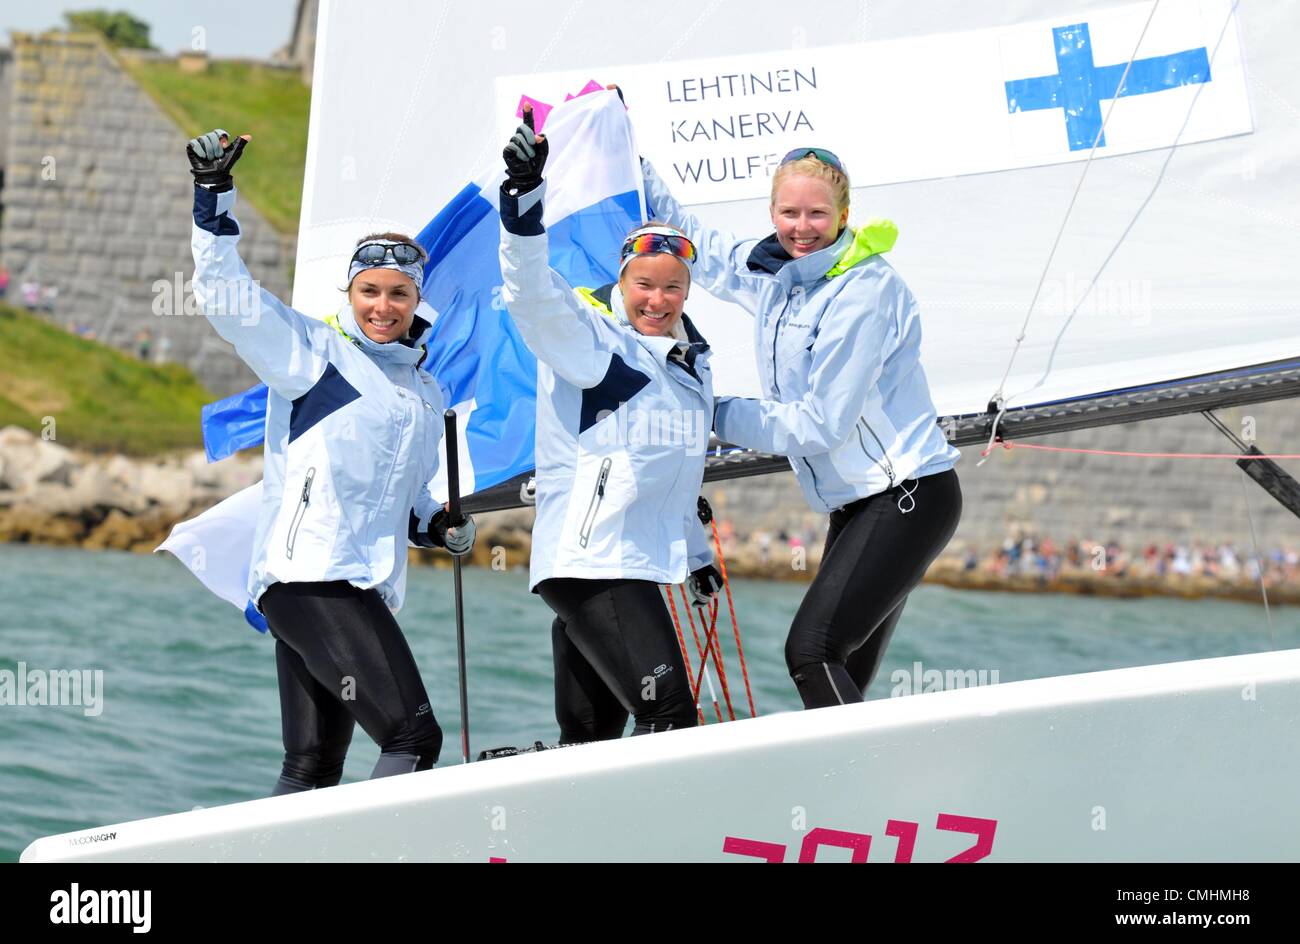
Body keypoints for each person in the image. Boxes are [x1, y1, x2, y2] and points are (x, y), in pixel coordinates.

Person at [186, 128, 475, 793]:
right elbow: (227, 297)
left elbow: (407, 499)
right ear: (351, 292)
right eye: (370, 290)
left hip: (351, 584)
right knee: (413, 735)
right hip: (310, 578)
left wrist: (435, 523)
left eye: (399, 294)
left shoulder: (423, 390)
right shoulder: (313, 353)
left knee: (313, 765)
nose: (383, 306)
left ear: (415, 300)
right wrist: (212, 195)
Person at [641, 145, 962, 709]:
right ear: (772, 213)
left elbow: (821, 424)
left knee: (811, 652)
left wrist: (706, 407)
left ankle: (872, 785)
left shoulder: (864, 290)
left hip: (908, 497)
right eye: (789, 213)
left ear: (843, 214)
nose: (802, 227)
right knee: (843, 679)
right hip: (861, 502)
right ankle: (860, 792)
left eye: (817, 214)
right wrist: (630, 158)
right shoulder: (778, 276)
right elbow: (702, 249)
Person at [498, 107, 722, 742]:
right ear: (622, 281)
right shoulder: (595, 345)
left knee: (589, 744)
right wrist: (523, 205)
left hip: (619, 566)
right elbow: (533, 298)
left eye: (672, 287)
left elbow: (668, 478)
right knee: (670, 715)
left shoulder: (689, 367)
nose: (657, 300)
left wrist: (699, 555)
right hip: (593, 563)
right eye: (643, 284)